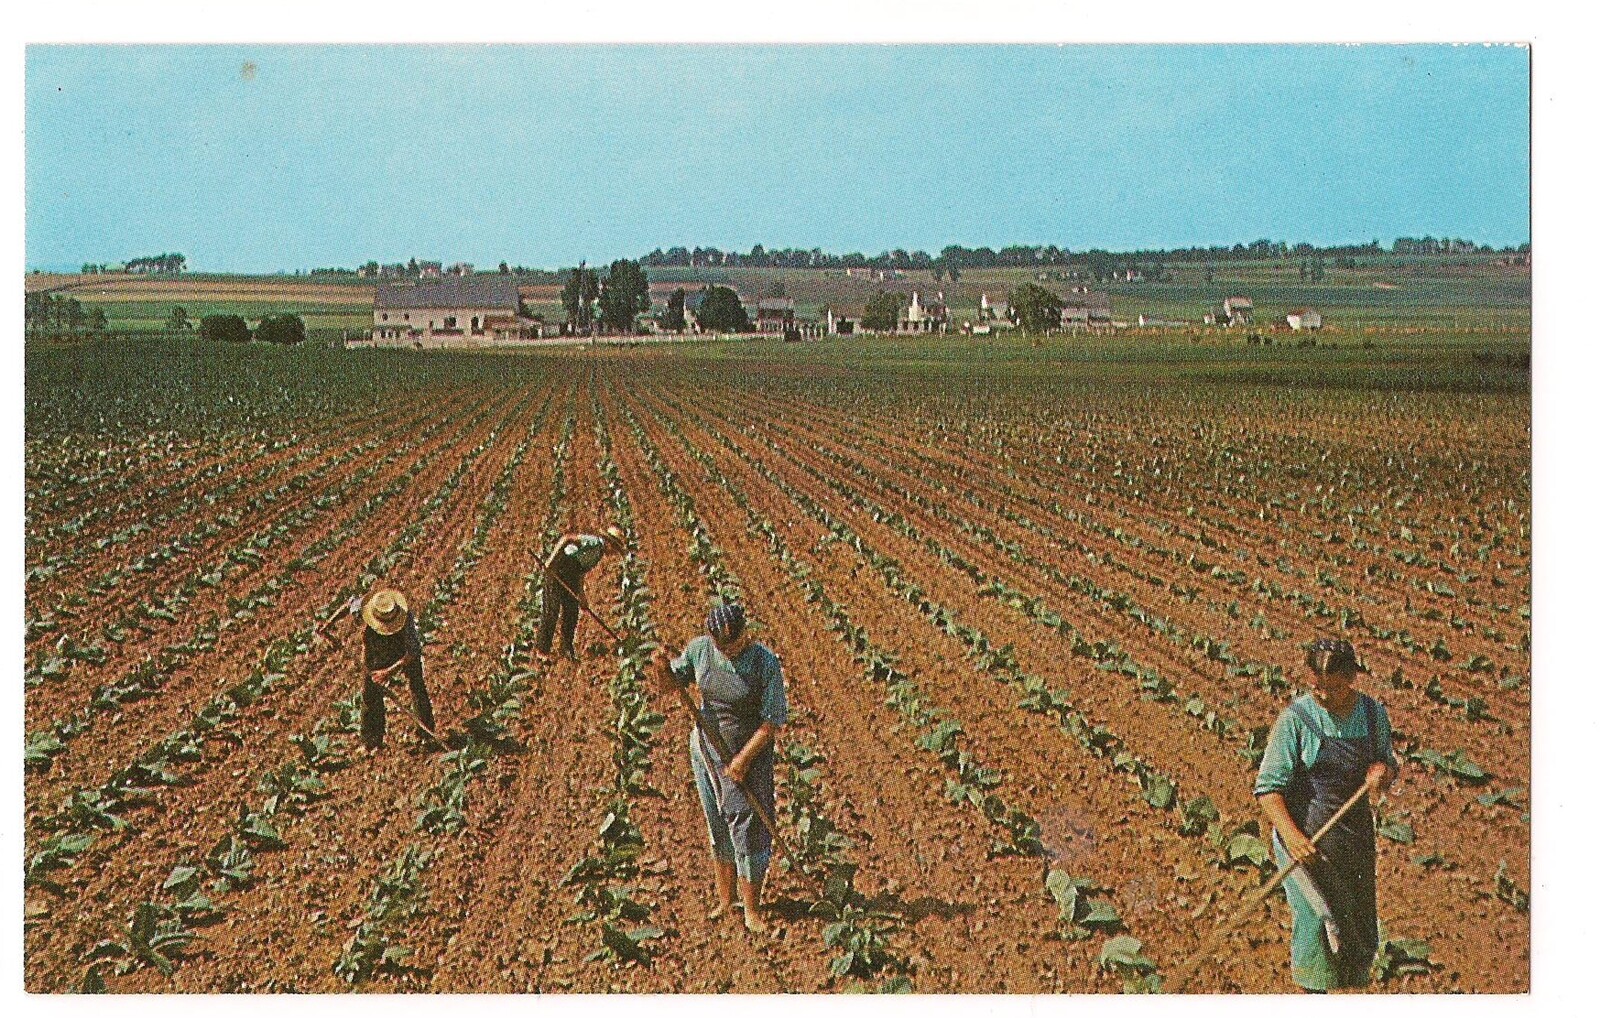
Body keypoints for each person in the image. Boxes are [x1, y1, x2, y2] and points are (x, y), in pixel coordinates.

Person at [1255, 638, 1399, 992]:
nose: (1323, 695)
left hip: (1352, 838)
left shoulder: (1371, 714)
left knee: (1356, 926)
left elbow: (1387, 762)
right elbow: (1268, 789)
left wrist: (1381, 772)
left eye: (1333, 687)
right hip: (1305, 839)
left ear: (1351, 678)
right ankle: (1311, 992)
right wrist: (1292, 837)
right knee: (1317, 917)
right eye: (1316, 686)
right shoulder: (1297, 719)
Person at [651, 603, 787, 933]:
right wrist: (660, 669)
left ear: (745, 633)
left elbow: (771, 723)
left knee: (748, 828)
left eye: (734, 643)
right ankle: (726, 902)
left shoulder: (764, 663)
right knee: (718, 825)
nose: (728, 650)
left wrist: (742, 760)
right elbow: (671, 685)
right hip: (708, 752)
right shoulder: (700, 650)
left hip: (747, 757)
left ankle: (751, 910)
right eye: (721, 645)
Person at [320, 588, 435, 752]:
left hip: (403, 650)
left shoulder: (405, 620)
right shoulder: (366, 607)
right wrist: (328, 624)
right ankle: (371, 740)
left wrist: (388, 672)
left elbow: (412, 652)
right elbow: (348, 605)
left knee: (417, 688)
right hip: (377, 647)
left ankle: (426, 736)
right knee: (369, 691)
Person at [536, 526, 625, 661]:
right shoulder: (593, 542)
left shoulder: (598, 554)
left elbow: (580, 572)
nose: (614, 553)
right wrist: (550, 561)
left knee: (572, 611)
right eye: (615, 548)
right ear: (609, 543)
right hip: (558, 569)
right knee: (551, 610)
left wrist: (581, 596)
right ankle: (542, 652)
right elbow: (566, 538)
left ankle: (566, 649)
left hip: (571, 575)